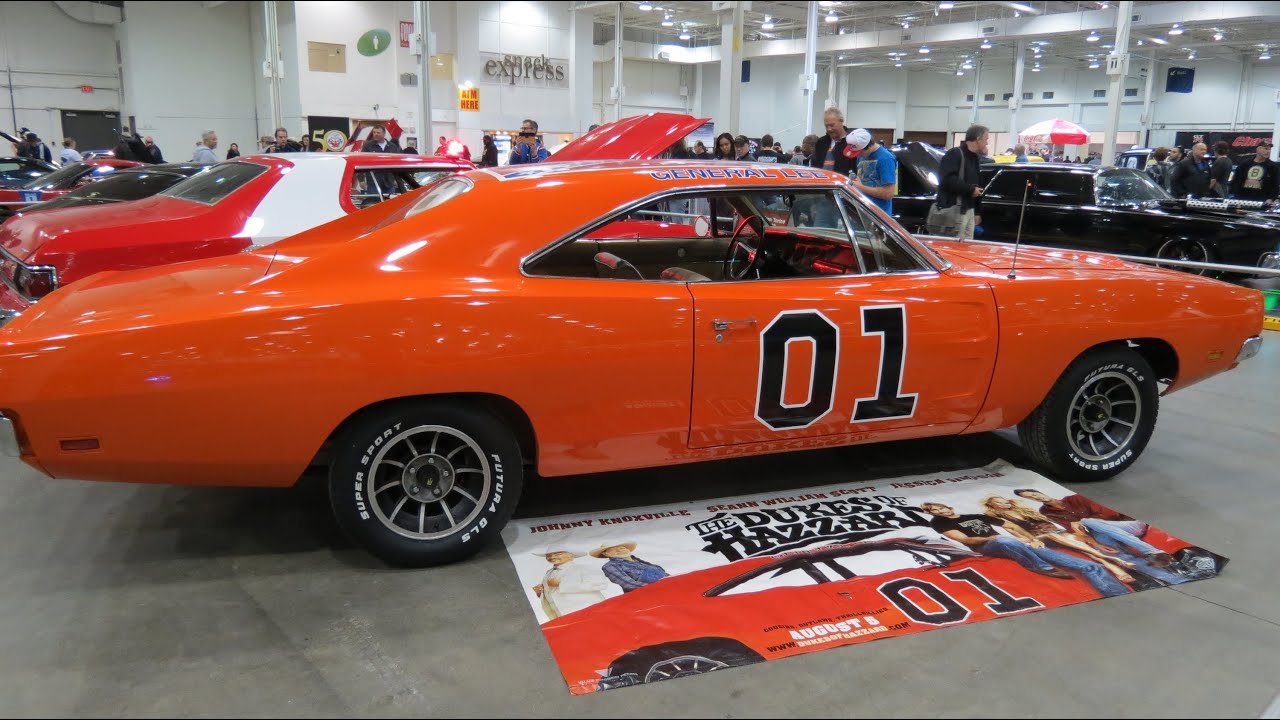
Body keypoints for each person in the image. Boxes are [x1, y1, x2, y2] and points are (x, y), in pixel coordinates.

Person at [920, 502, 1130, 597]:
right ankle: (1042, 567)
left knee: (1089, 565)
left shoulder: (973, 516)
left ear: (949, 507)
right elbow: (965, 539)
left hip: (1014, 543)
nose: (939, 511)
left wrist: (1031, 539)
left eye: (940, 507)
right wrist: (992, 537)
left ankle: (1117, 595)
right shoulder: (939, 522)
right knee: (1007, 542)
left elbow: (1010, 526)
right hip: (987, 546)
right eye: (934, 510)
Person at [1012, 489, 1174, 567]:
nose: (1035, 497)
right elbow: (1072, 530)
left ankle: (1152, 551)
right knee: (1102, 539)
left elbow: (1110, 514)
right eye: (1030, 497)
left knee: (1089, 522)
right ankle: (1150, 563)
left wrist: (1084, 522)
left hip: (1129, 525)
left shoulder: (1074, 499)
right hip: (1104, 532)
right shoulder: (1046, 512)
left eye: (1034, 494)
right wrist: (1094, 541)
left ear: (1039, 492)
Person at [928, 124, 987, 239]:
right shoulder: (955, 154)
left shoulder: (975, 157)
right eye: (986, 139)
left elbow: (976, 184)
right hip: (954, 209)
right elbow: (947, 179)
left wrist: (977, 212)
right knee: (952, 244)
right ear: (978, 139)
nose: (987, 142)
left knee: (967, 246)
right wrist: (970, 190)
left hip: (969, 210)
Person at [530, 548, 612, 620]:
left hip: (590, 612)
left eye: (557, 554)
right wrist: (541, 592)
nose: (552, 557)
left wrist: (561, 584)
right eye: (548, 555)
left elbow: (600, 584)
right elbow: (552, 594)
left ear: (571, 556)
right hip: (561, 616)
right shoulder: (548, 573)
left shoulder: (584, 568)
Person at [847, 128, 897, 215]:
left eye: (859, 152)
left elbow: (888, 193)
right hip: (862, 211)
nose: (858, 155)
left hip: (878, 215)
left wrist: (861, 188)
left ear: (868, 146)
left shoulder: (885, 159)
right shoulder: (862, 156)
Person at [591, 541, 668, 593]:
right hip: (645, 595)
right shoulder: (610, 566)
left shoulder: (639, 561)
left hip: (665, 589)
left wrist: (671, 581)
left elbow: (665, 575)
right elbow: (628, 584)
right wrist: (658, 588)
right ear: (606, 554)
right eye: (613, 549)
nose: (620, 550)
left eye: (622, 547)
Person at [809, 107, 856, 177]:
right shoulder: (821, 142)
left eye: (832, 125)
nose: (829, 129)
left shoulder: (852, 142)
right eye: (826, 126)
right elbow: (815, 165)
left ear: (841, 121)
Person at [1229, 140, 1278, 206]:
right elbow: (1235, 181)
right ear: (1258, 149)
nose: (1268, 151)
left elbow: (1275, 185)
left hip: (1262, 202)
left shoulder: (1273, 167)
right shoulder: (1245, 164)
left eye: (1269, 149)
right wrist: (1236, 195)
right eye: (1266, 149)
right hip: (1243, 200)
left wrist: (1271, 198)